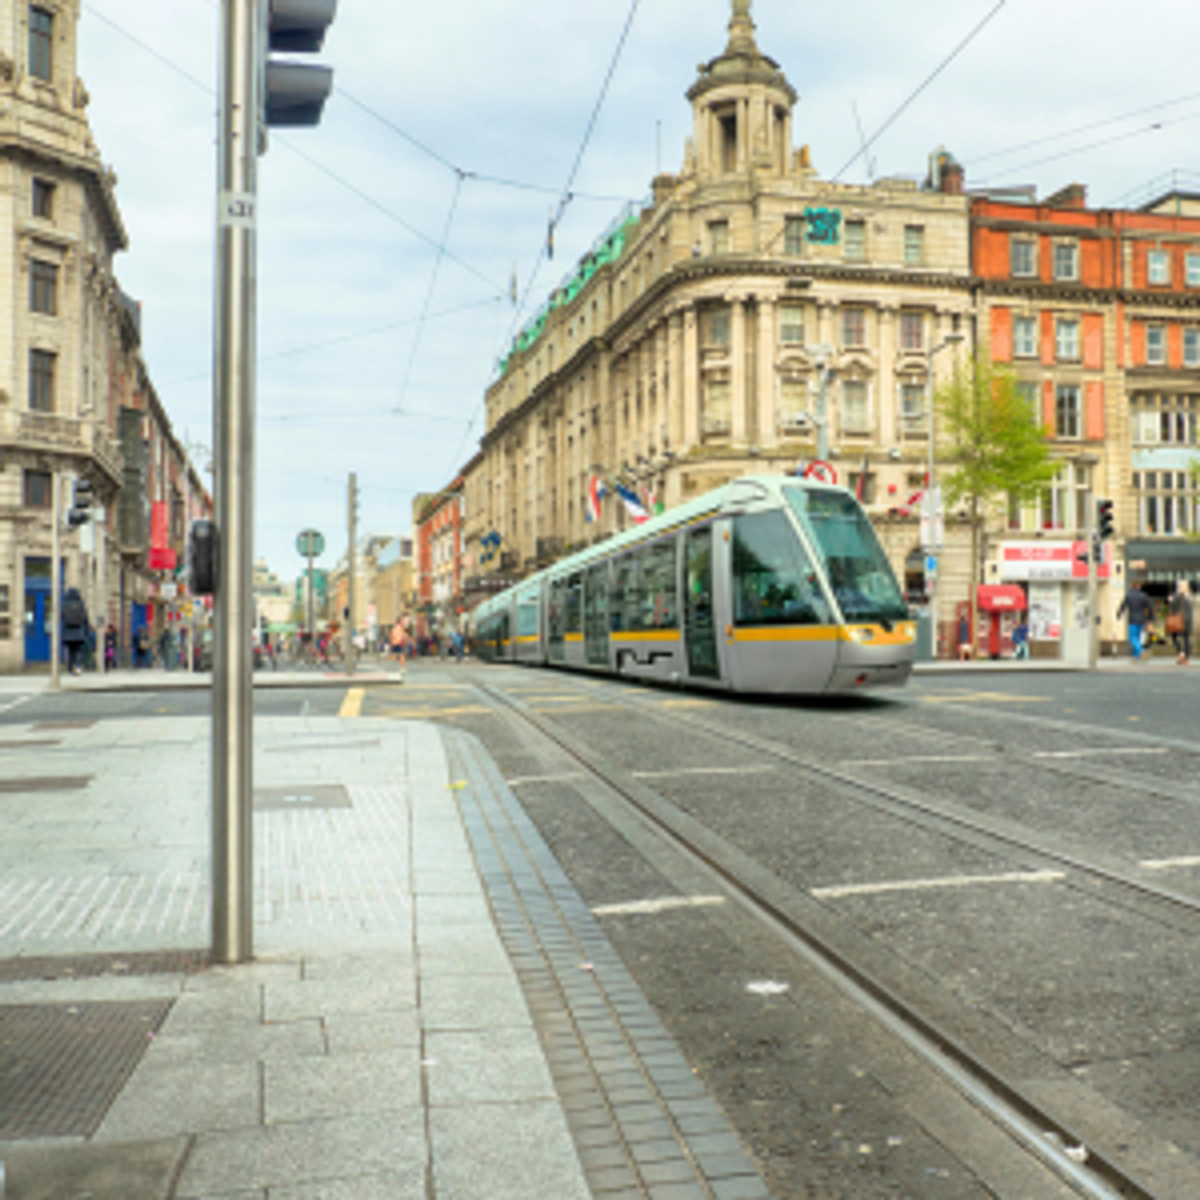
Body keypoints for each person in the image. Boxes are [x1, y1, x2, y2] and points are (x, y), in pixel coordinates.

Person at [1117, 578, 1153, 662]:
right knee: (1137, 638)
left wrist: (1119, 614)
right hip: (1141, 620)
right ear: (1138, 587)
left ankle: (1141, 651)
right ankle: (1134, 657)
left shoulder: (1128, 596)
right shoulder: (1144, 596)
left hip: (1132, 620)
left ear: (1131, 586)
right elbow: (1149, 607)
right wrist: (1150, 618)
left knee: (1132, 638)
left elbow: (1122, 606)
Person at [61, 587, 89, 675]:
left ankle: (70, 669)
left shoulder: (64, 603)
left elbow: (62, 617)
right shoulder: (80, 603)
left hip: (68, 632)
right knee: (78, 650)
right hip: (79, 631)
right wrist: (86, 631)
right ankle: (78, 667)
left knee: (70, 652)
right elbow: (85, 618)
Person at [1168, 580, 1193, 666]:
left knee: (1174, 636)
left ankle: (1181, 653)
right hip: (1188, 620)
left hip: (1179, 620)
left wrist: (1170, 600)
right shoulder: (1190, 596)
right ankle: (1185, 658)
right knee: (1186, 638)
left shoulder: (1178, 596)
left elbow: (1172, 608)